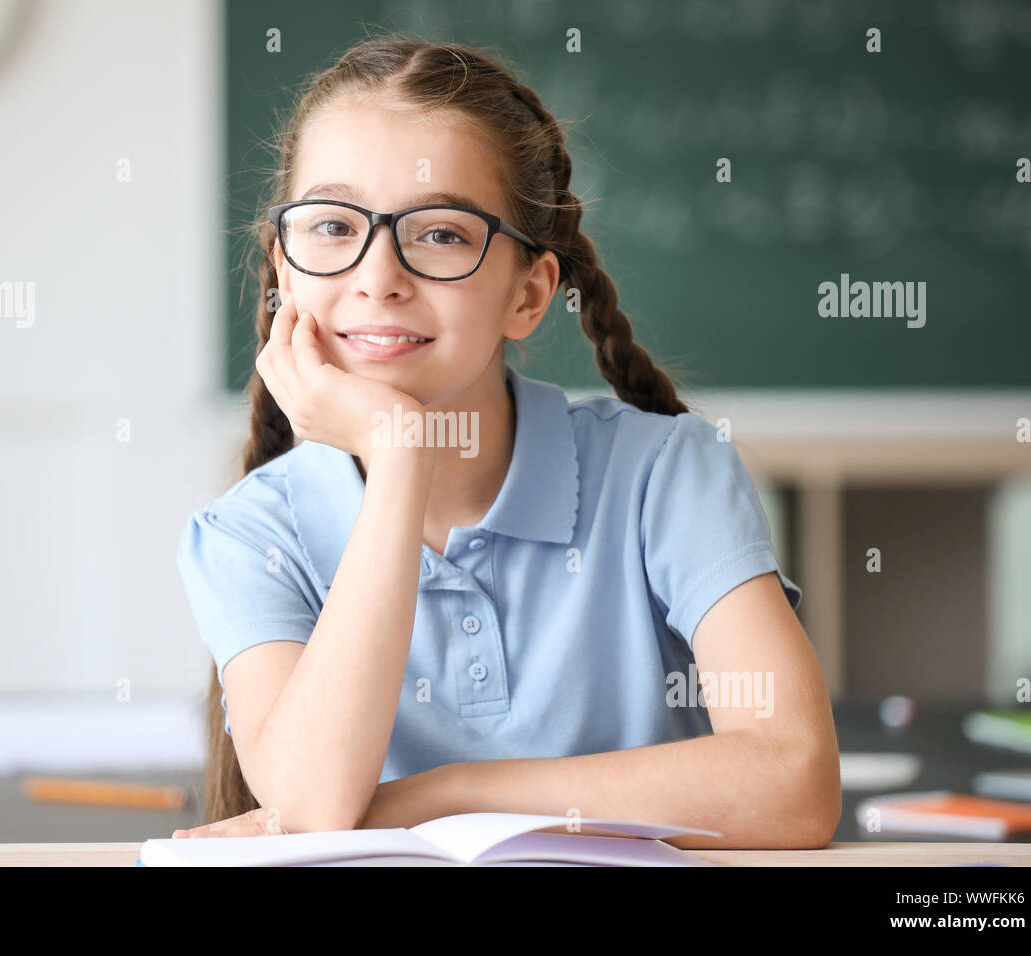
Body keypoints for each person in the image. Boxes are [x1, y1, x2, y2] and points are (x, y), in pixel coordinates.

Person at [174, 34, 840, 849]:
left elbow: (794, 779)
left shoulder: (667, 474)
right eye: (333, 225)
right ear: (283, 273)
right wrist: (398, 456)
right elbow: (315, 804)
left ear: (528, 296)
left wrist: (443, 796)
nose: (378, 275)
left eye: (442, 234)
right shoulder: (249, 534)